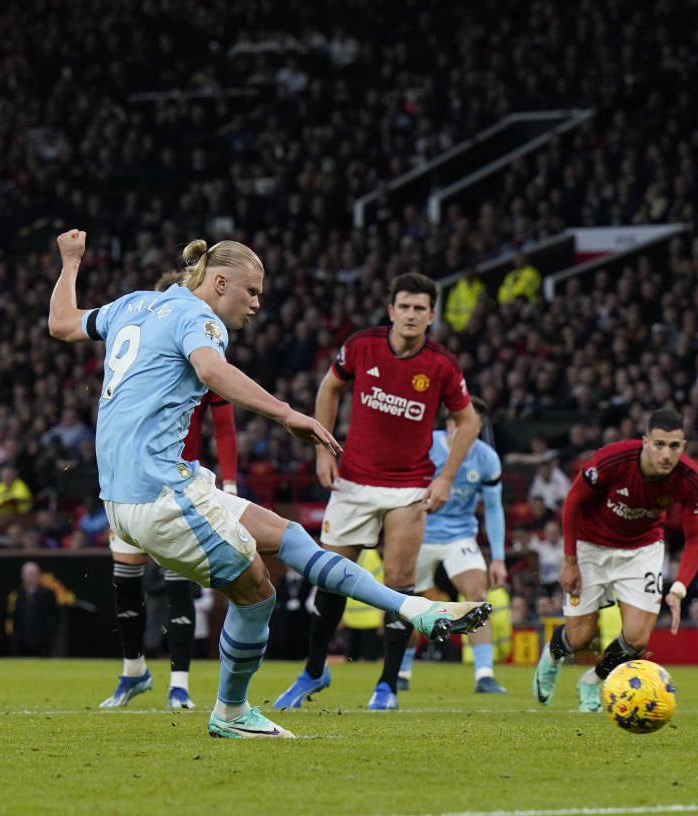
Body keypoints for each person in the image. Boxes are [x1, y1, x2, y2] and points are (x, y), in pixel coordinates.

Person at [48, 229, 488, 738]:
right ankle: (232, 713)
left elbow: (61, 323)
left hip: (148, 491)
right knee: (258, 590)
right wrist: (286, 414)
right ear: (218, 282)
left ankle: (417, 609)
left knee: (290, 536)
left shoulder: (135, 304)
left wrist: (71, 262)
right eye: (251, 291)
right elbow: (212, 370)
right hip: (160, 497)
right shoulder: (200, 319)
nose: (256, 303)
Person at [275, 271, 484, 713]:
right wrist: (323, 449)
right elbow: (330, 387)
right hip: (351, 480)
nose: (411, 314)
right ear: (391, 310)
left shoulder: (442, 365)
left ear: (431, 316)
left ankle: (386, 685)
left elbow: (469, 421)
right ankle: (314, 671)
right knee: (326, 578)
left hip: (407, 487)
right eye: (404, 306)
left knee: (399, 583)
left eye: (420, 308)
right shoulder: (361, 345)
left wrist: (446, 476)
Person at [100, 269, 241, 712]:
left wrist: (232, 481)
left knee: (179, 587)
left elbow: (224, 423)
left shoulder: (197, 343)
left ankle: (179, 683)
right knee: (126, 580)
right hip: (128, 481)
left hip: (177, 484)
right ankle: (133, 671)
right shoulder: (145, 352)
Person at [533, 408, 698, 712]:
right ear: (645, 442)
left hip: (642, 549)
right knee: (579, 637)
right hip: (591, 546)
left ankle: (593, 679)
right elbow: (573, 501)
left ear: (684, 446)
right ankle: (551, 655)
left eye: (674, 446)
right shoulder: (612, 460)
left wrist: (679, 588)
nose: (667, 454)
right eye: (660, 444)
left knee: (637, 637)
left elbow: (695, 540)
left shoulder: (690, 480)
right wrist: (570, 560)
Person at [397, 397, 508, 693]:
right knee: (409, 601)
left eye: (478, 425)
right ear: (450, 424)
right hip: (419, 532)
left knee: (477, 594)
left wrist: (498, 558)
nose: (474, 431)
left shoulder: (487, 458)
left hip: (459, 536)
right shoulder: (425, 445)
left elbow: (494, 509)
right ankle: (402, 672)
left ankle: (484, 675)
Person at [6, 561, 60, 656]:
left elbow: (56, 617)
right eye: (28, 574)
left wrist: (50, 634)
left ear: (39, 575)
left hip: (43, 642)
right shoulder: (15, 594)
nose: (31, 577)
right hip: (20, 641)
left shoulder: (49, 594)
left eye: (33, 574)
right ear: (22, 576)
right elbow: (11, 617)